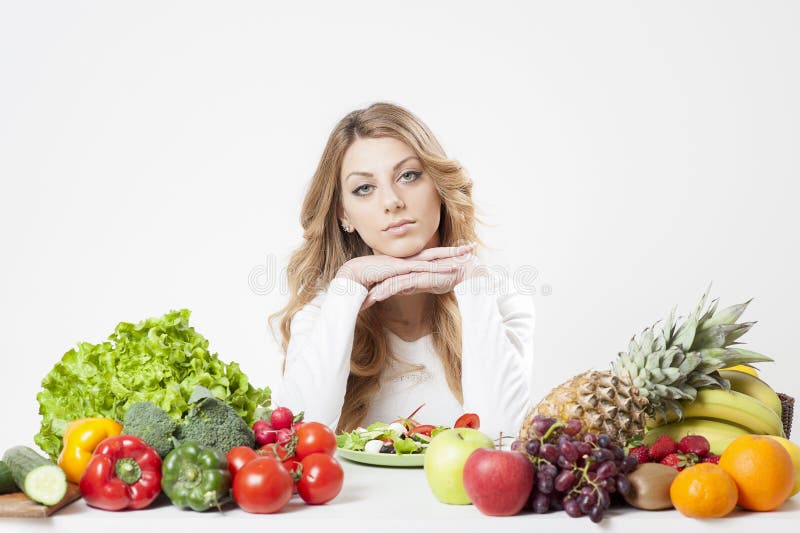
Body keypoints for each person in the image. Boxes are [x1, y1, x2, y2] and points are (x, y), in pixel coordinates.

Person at [268, 102, 535, 439]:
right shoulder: (322, 315)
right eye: (364, 188)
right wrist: (348, 284)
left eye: (408, 176)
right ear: (343, 215)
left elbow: (502, 439)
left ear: (438, 186)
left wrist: (471, 282)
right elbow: (298, 439)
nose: (392, 201)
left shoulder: (501, 302)